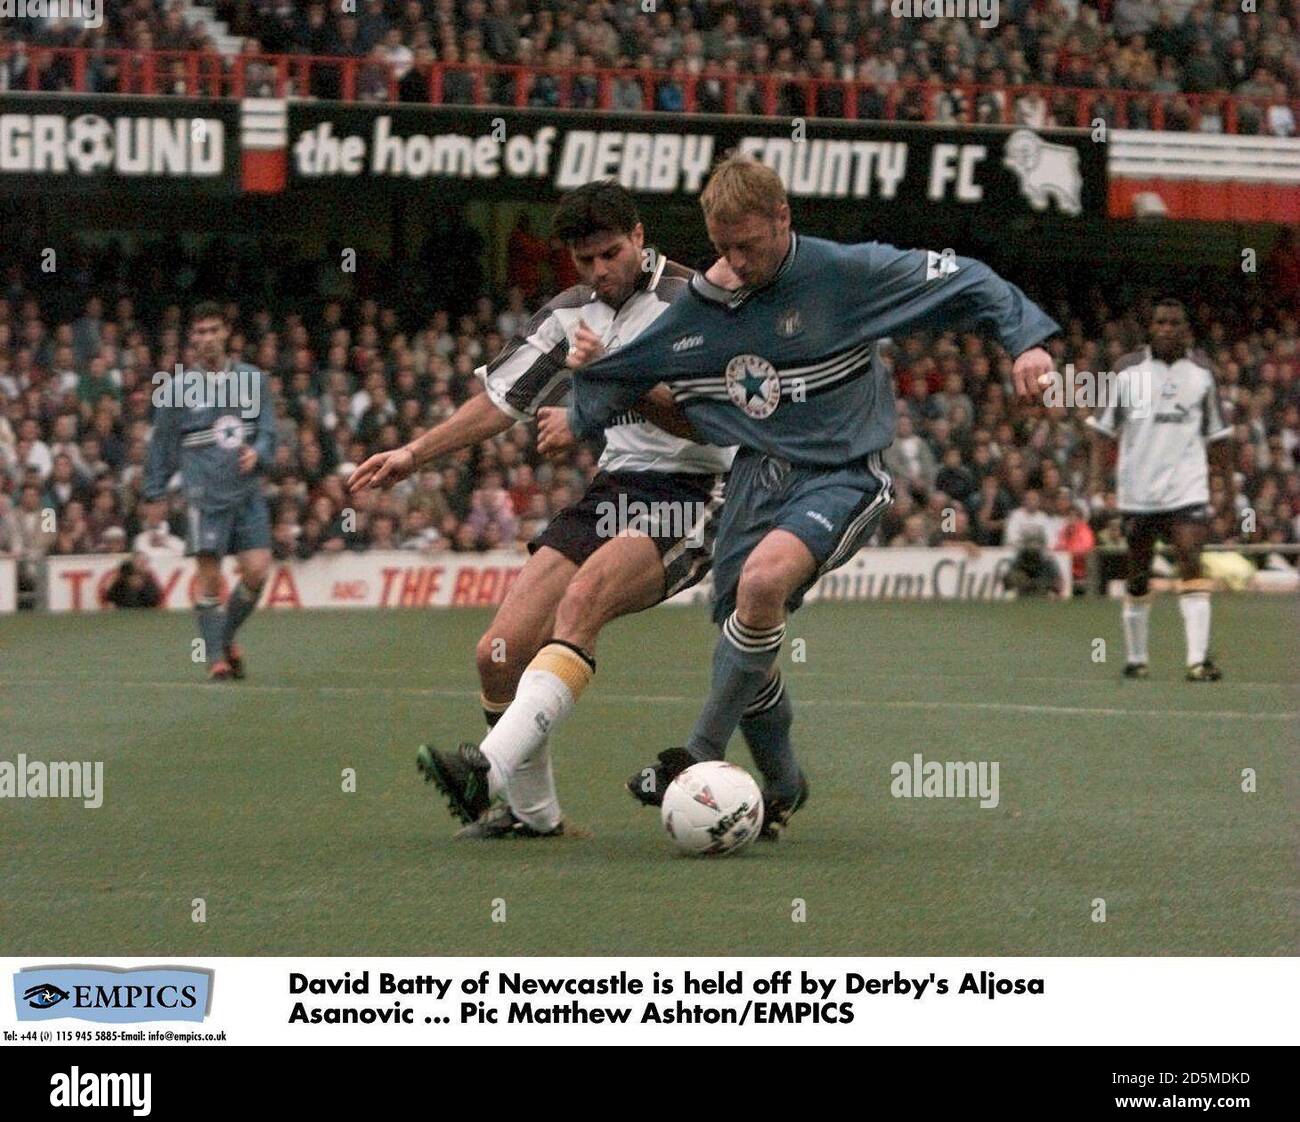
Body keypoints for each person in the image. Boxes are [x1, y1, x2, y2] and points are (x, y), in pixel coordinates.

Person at [428, 156, 1057, 840]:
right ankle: (783, 788)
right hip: (758, 478)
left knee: (760, 589)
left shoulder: (848, 273)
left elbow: (968, 278)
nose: (734, 263)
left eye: (748, 246)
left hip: (842, 473)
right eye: (722, 248)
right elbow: (632, 369)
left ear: (783, 219)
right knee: (743, 636)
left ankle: (693, 754)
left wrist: (1026, 344)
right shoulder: (709, 301)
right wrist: (577, 414)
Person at [348, 181, 734, 838]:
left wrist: (613, 379)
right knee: (498, 653)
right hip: (613, 491)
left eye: (611, 254)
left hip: (695, 493)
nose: (600, 271)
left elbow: (713, 427)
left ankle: (484, 773)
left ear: (640, 237)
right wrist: (414, 453)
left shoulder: (694, 303)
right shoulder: (570, 312)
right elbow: (499, 402)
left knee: (582, 601)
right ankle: (535, 818)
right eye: (585, 261)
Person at [1086, 298, 1234, 680]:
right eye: (1161, 323)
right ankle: (1137, 659)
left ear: (1187, 328)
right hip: (1138, 491)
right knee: (1137, 575)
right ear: (1150, 328)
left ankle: (1197, 661)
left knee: (1190, 559)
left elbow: (1218, 437)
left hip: (1187, 489)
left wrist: (1228, 493)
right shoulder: (1127, 371)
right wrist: (1097, 485)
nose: (1167, 329)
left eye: (1175, 323)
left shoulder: (1202, 372)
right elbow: (1103, 433)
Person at [143, 302, 275, 680]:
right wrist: (154, 493)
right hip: (204, 497)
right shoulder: (178, 388)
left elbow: (268, 429)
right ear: (192, 340)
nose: (207, 338)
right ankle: (216, 658)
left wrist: (260, 452)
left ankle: (225, 636)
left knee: (257, 572)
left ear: (227, 334)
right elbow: (161, 444)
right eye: (200, 333)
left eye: (213, 330)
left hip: (247, 494)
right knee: (210, 577)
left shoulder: (253, 379)